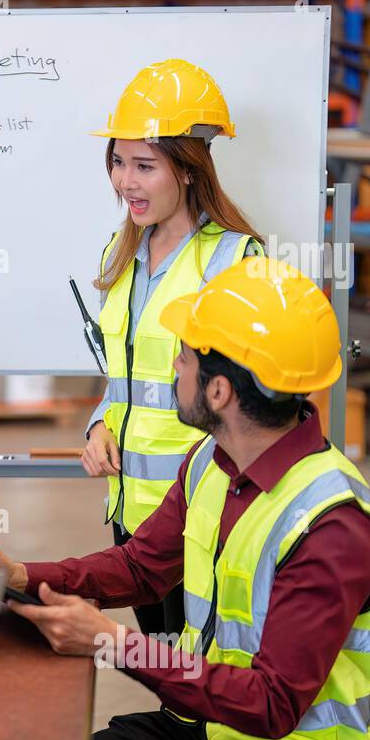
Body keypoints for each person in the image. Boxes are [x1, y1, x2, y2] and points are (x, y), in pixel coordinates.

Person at [0, 257, 370, 740]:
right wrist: (20, 576)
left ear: (220, 390)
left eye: (183, 354)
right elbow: (140, 567)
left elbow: (273, 705)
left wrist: (115, 643)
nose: (173, 366)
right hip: (206, 731)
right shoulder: (211, 462)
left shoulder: (335, 525)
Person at [82, 59, 264, 640]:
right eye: (117, 161)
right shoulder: (121, 252)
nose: (125, 182)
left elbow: (263, 410)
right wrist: (97, 425)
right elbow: (123, 377)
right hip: (131, 519)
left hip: (200, 522)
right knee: (165, 672)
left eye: (144, 165)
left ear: (187, 169)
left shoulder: (235, 262)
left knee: (203, 680)